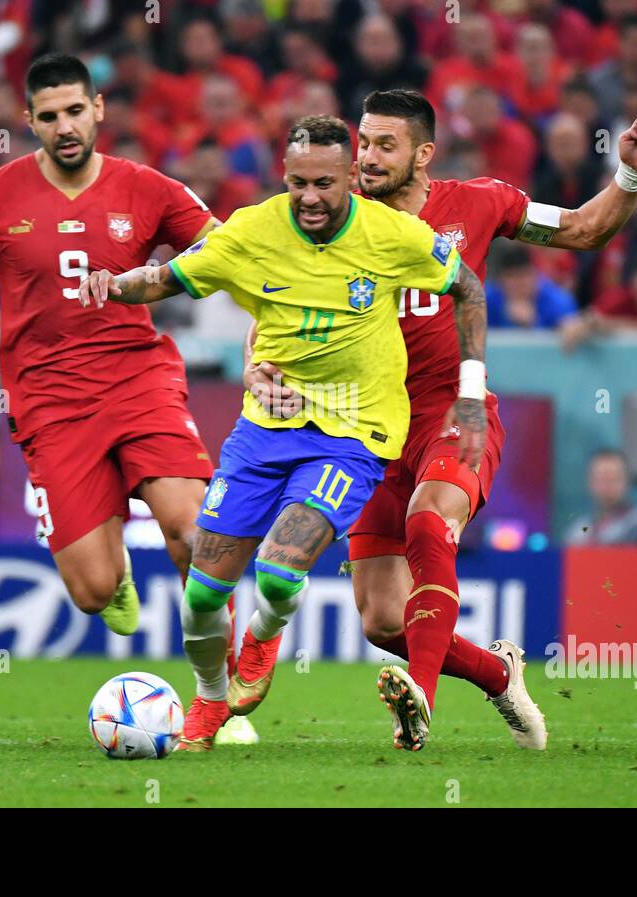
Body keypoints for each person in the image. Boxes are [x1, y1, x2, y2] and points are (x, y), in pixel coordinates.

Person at [242, 89, 637, 750]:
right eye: (363, 141)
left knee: (428, 520)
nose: (367, 156)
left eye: (385, 144)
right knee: (383, 620)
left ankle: (419, 698)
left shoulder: (478, 203)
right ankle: (496, 673)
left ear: (424, 153)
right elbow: (271, 306)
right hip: (365, 430)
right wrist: (259, 366)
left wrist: (632, 172)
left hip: (453, 410)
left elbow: (585, 230)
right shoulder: (330, 218)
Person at [80, 114, 483, 753]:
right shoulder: (252, 231)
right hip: (265, 429)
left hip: (354, 430)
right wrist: (113, 284)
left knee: (278, 568)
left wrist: (470, 393)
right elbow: (165, 278)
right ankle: (211, 703)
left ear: (351, 175)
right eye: (298, 183)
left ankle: (264, 640)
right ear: (283, 177)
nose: (311, 197)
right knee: (202, 597)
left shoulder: (394, 234)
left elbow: (468, 286)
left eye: (325, 183)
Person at [0, 55, 221, 646]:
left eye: (76, 111)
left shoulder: (147, 187)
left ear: (98, 109)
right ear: (30, 120)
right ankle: (115, 575)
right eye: (50, 116)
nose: (66, 127)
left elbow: (227, 252)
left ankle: (223, 698)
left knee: (192, 530)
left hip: (138, 379)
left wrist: (165, 282)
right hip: (49, 399)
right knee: (92, 591)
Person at [566, 449, 637, 545]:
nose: (607, 486)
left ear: (627, 481)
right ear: (590, 483)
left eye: (613, 478)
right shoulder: (581, 527)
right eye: (601, 479)